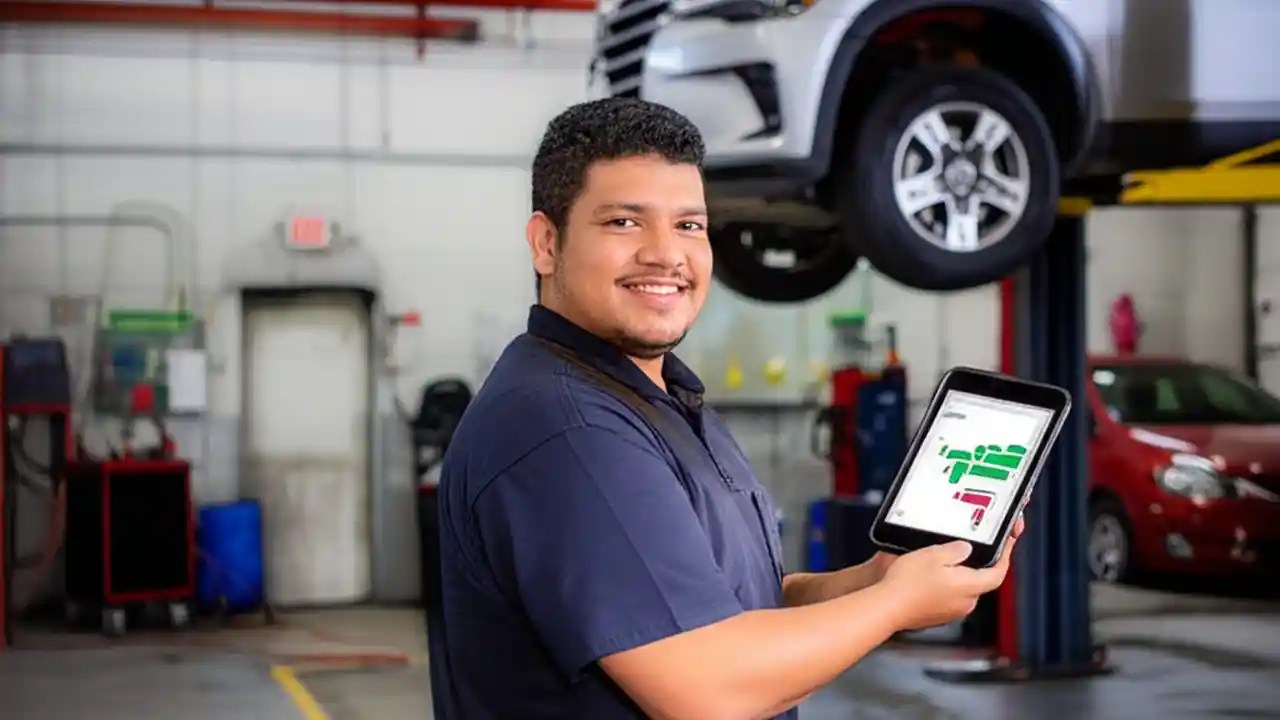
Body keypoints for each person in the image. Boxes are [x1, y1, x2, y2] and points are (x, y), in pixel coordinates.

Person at [428, 97, 1023, 720]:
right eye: (625, 223)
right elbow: (706, 689)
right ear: (546, 243)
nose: (666, 254)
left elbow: (738, 609)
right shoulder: (564, 427)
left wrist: (878, 578)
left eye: (689, 225)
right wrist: (897, 605)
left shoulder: (657, 400)